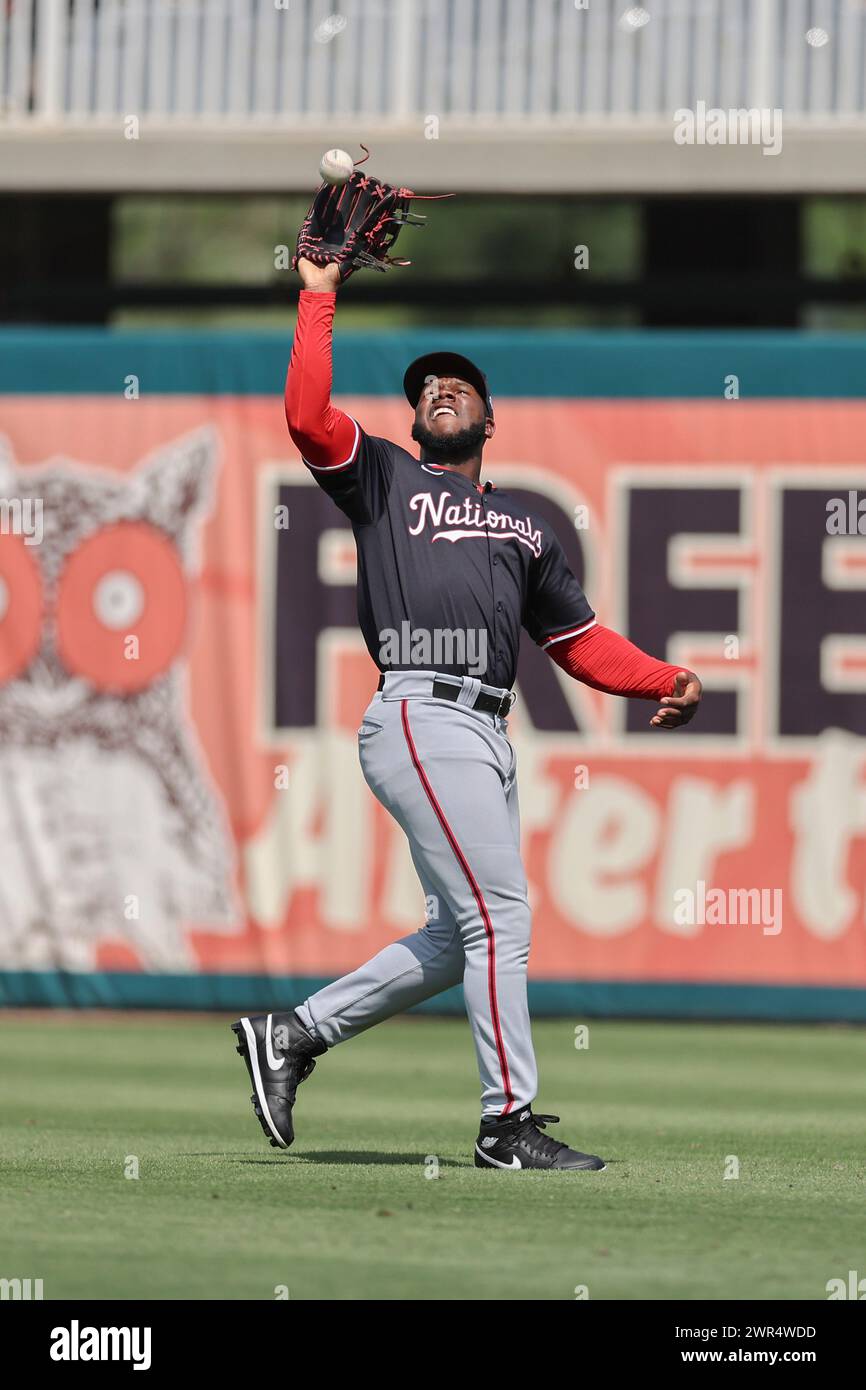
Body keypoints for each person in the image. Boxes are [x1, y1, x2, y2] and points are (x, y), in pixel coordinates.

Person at [231, 258, 702, 1172]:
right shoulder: (384, 478)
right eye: (427, 387)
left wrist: (662, 679)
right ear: (415, 418)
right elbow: (306, 416)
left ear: (491, 419)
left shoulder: (526, 527)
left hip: (488, 731)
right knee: (502, 917)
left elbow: (578, 641)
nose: (440, 390)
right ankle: (505, 1126)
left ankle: (292, 1034)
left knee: (460, 935)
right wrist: (319, 295)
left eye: (459, 385)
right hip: (422, 710)